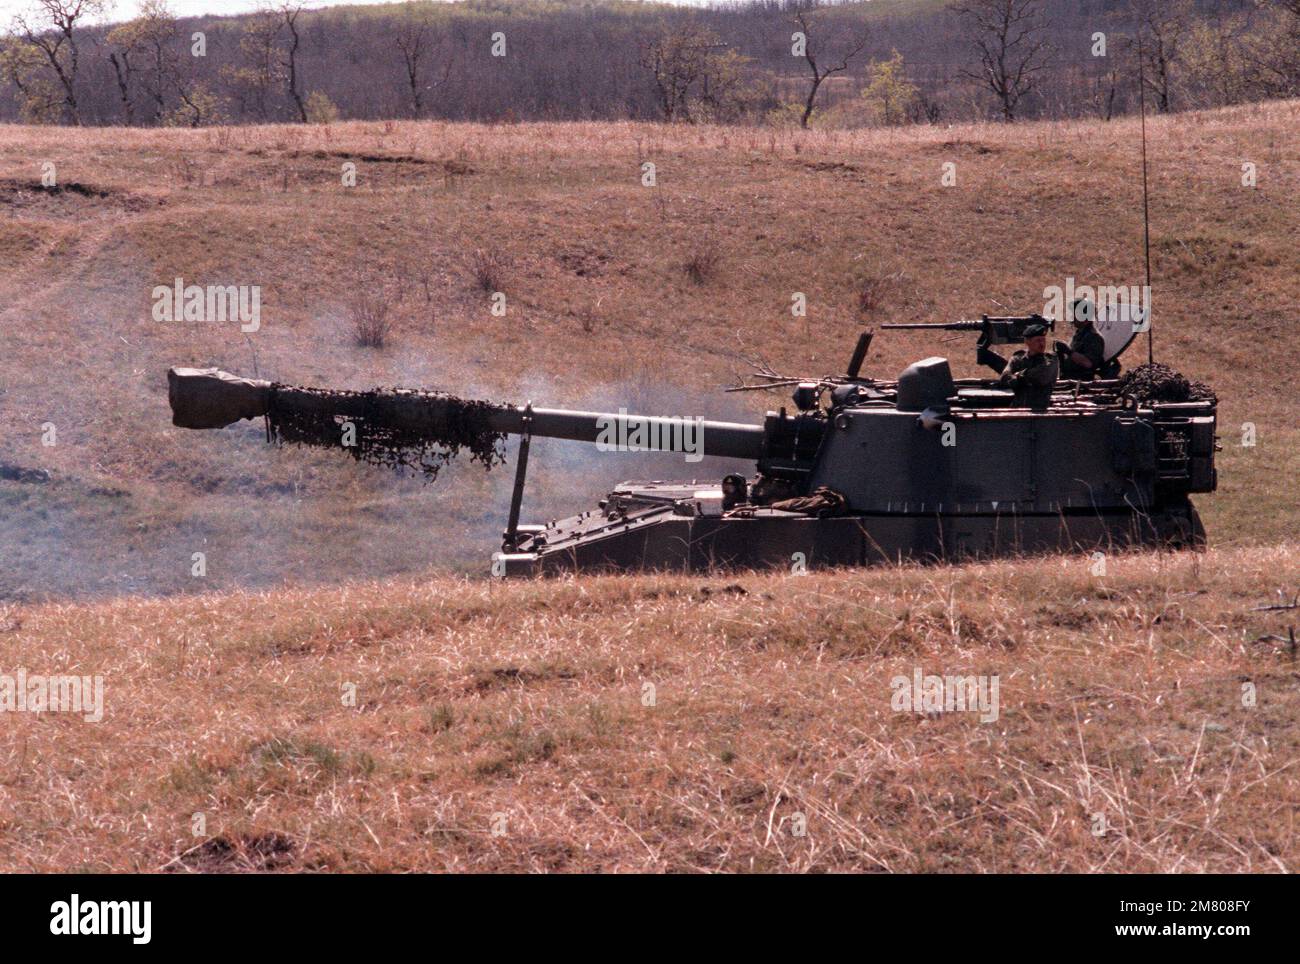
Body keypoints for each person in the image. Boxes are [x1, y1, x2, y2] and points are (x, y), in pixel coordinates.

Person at [981, 323, 1058, 409]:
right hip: (1018, 408)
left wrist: (1019, 376)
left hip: (1040, 410)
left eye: (1043, 340)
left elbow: (1041, 376)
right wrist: (1019, 379)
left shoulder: (1051, 359)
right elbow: (1005, 376)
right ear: (1027, 341)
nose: (1042, 344)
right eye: (1038, 340)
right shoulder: (1018, 358)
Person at [1056, 298, 1108, 380]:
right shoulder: (1079, 334)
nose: (1072, 317)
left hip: (1081, 383)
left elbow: (1088, 363)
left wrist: (1068, 351)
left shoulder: (1094, 337)